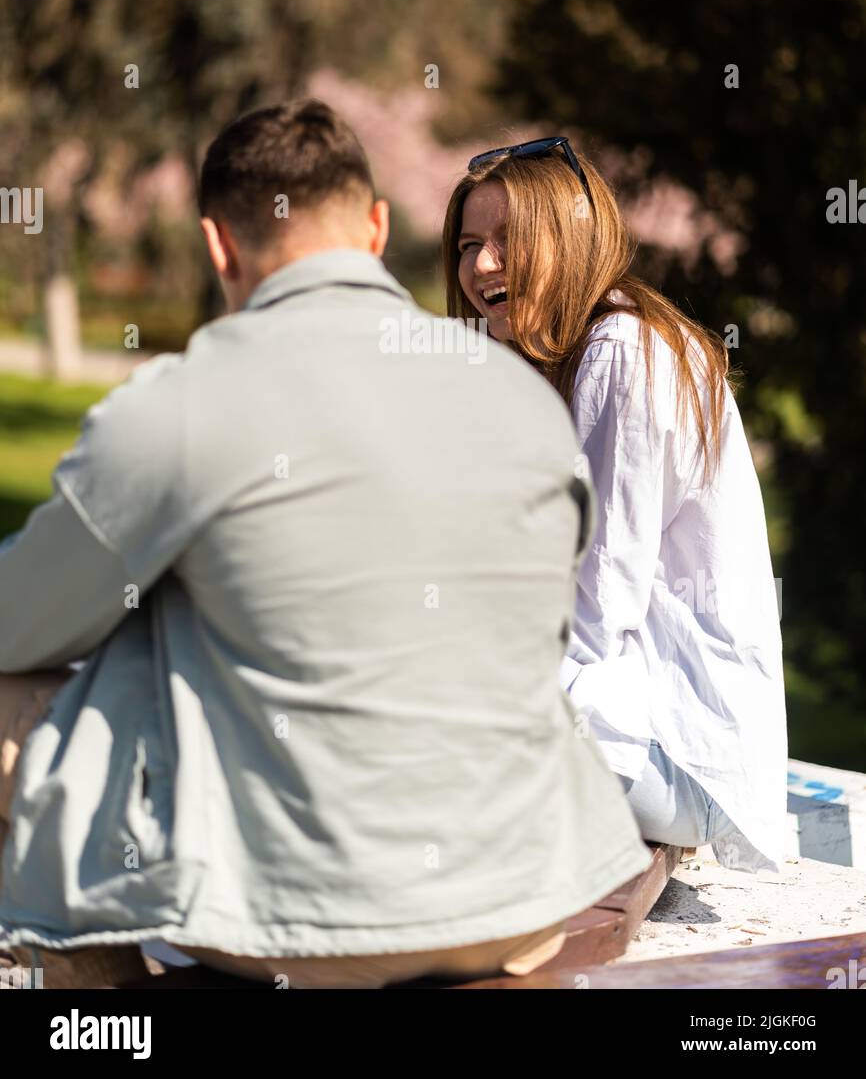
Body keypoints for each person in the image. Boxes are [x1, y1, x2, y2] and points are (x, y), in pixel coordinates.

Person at [0, 102, 652, 990]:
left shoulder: (178, 406)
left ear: (218, 246)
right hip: (524, 897)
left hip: (311, 927)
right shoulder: (521, 402)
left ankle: (105, 1018)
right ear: (378, 228)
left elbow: (17, 624)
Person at [442, 136, 789, 874]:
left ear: (568, 241)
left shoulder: (620, 351)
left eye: (507, 241)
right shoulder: (600, 346)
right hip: (640, 737)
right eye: (470, 244)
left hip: (671, 757)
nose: (480, 267)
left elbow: (593, 613)